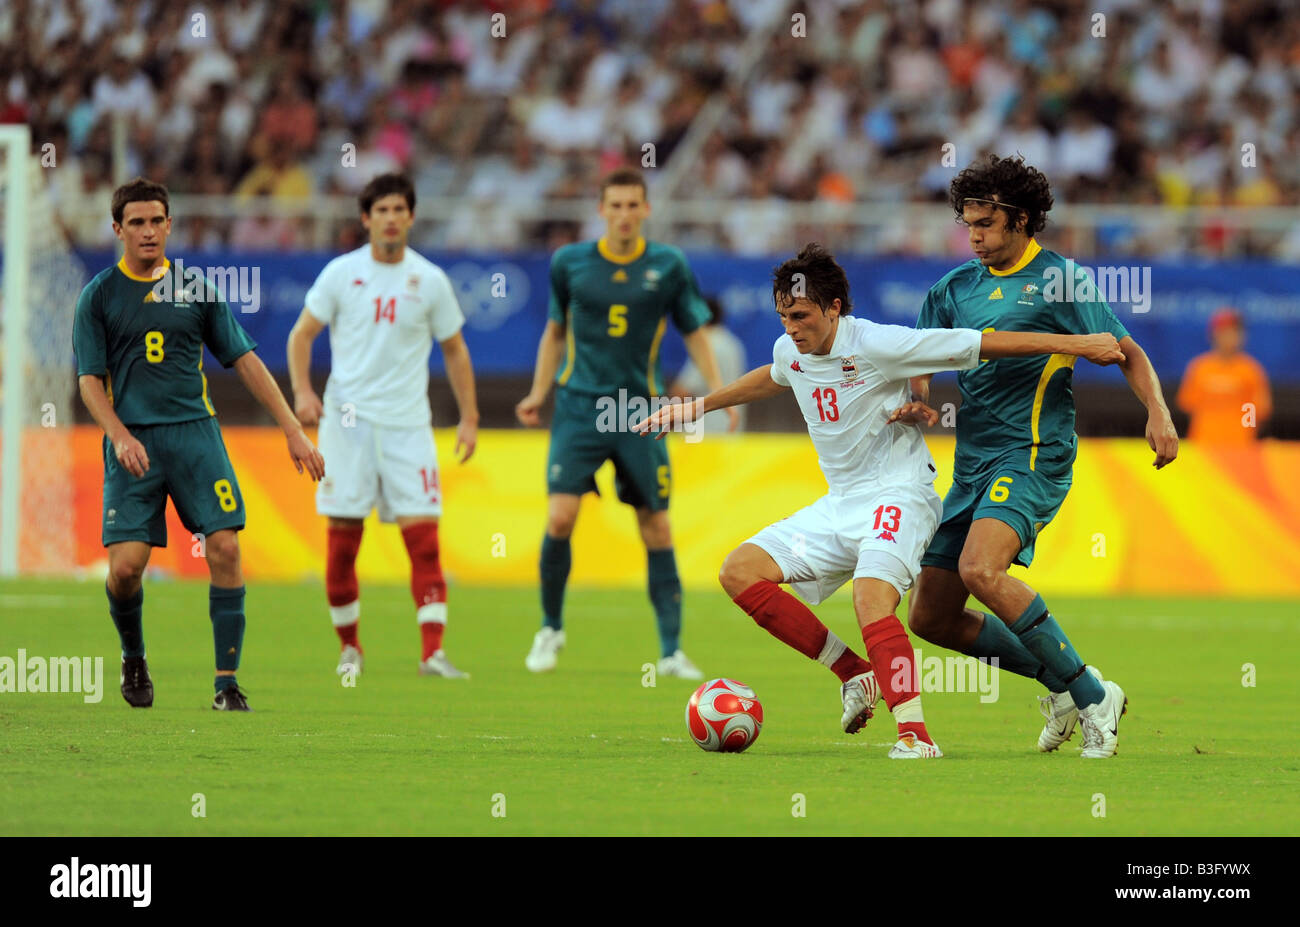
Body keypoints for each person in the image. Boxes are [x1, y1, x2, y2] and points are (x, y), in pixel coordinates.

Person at [635, 243, 1125, 757]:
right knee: (738, 571)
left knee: (871, 599)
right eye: (783, 317)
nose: (791, 329)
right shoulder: (790, 350)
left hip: (899, 495)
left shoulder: (878, 343)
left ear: (833, 309)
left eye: (800, 316)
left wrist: (1078, 342)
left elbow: (982, 342)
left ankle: (915, 736)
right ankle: (855, 674)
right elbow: (774, 376)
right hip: (840, 504)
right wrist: (697, 406)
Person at [902, 155, 1179, 758]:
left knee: (982, 570)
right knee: (931, 616)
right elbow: (921, 358)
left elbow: (1124, 350)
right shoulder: (952, 289)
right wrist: (919, 399)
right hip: (972, 464)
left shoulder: (1062, 281)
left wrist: (1156, 411)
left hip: (1032, 453)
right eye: (967, 224)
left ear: (1021, 220)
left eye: (984, 223)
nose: (972, 235)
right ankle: (1058, 684)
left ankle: (1091, 695)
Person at [73, 177, 325, 711]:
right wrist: (117, 434)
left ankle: (225, 684)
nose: (147, 231)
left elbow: (246, 361)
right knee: (124, 569)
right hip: (133, 445)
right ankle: (134, 655)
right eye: (136, 222)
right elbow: (89, 381)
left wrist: (292, 429)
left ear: (170, 225)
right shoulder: (98, 296)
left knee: (227, 547)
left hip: (196, 435)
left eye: (156, 221)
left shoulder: (196, 289)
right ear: (117, 229)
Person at [515, 166, 737, 677]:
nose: (622, 215)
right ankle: (550, 628)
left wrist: (718, 396)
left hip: (641, 410)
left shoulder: (669, 265)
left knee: (656, 525)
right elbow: (553, 333)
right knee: (560, 518)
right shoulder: (569, 263)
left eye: (631, 205)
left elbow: (696, 333)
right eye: (613, 205)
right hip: (580, 408)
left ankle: (671, 651)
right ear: (601, 210)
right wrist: (537, 393)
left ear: (646, 209)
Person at [287, 173, 479, 679]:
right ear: (366, 219)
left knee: (424, 541)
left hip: (407, 427)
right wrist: (303, 392)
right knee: (343, 541)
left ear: (411, 217)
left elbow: (455, 350)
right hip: (346, 428)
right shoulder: (340, 274)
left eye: (399, 209)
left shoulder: (430, 280)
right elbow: (301, 335)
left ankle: (432, 653)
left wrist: (470, 417)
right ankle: (350, 647)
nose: (391, 218)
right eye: (382, 210)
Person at [1176, 307, 1272, 443]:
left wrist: (1245, 434)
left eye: (1235, 332)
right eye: (1224, 332)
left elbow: (1259, 411)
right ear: (1214, 335)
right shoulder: (1200, 368)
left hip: (1239, 446)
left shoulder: (1250, 370)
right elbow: (1189, 407)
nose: (1230, 337)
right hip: (1203, 444)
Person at [669, 296, 748, 434]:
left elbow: (682, 391)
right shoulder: (733, 344)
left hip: (706, 432)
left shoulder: (707, 346)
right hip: (731, 428)